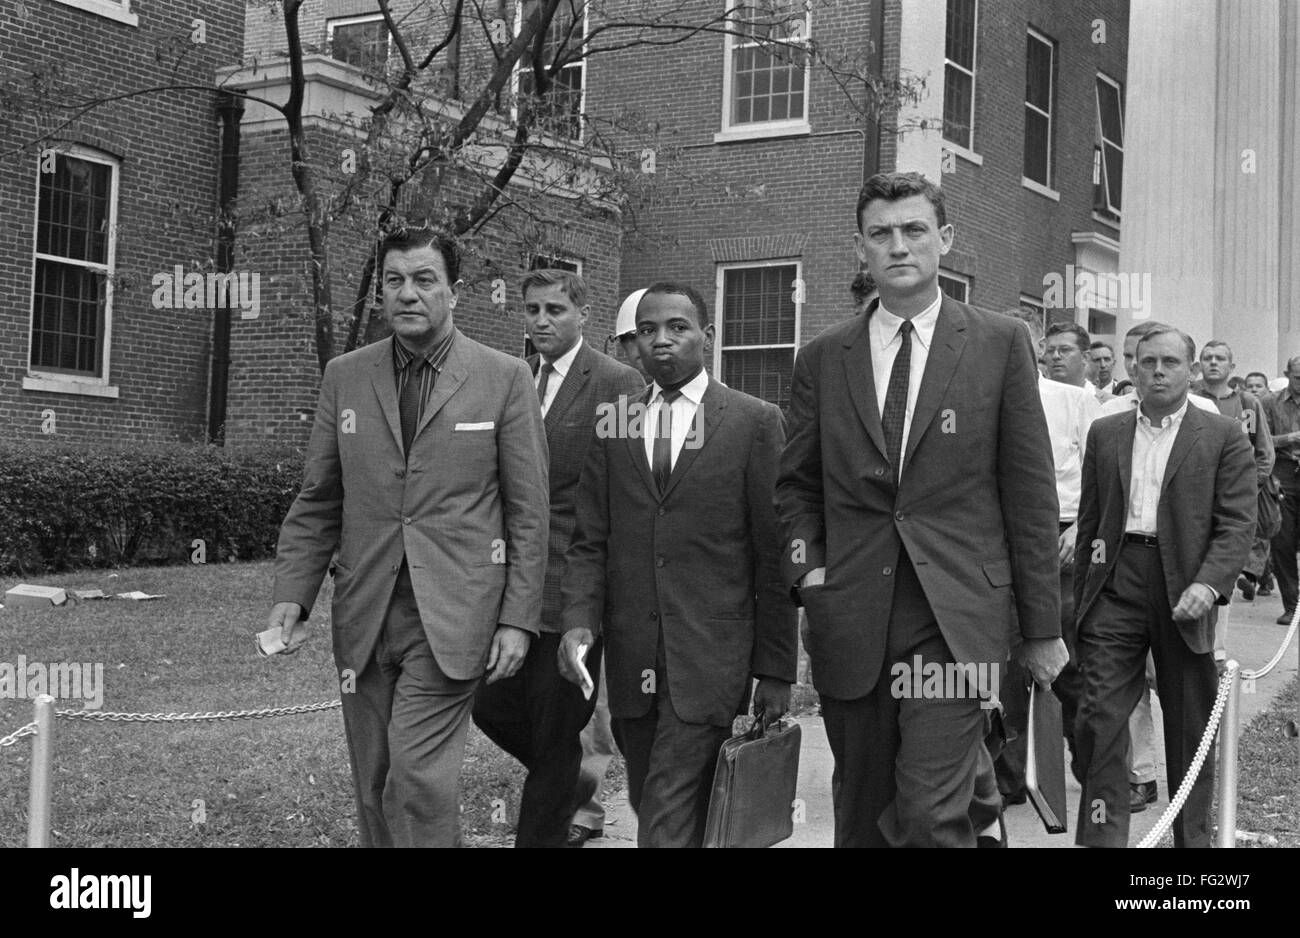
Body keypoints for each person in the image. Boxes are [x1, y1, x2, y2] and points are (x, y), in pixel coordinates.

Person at [776, 172, 1066, 848]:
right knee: (863, 816)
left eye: (913, 230)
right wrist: (810, 575)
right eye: (881, 234)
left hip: (955, 617)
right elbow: (795, 489)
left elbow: (1029, 492)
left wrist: (1042, 625)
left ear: (946, 239)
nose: (898, 246)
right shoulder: (823, 358)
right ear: (860, 248)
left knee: (932, 813)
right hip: (853, 614)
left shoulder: (999, 343)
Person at [269, 227, 549, 847]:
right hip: (365, 613)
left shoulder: (503, 378)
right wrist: (294, 595)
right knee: (373, 783)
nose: (408, 294)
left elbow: (528, 512)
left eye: (425, 280)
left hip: (454, 615)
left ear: (455, 291)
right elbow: (319, 499)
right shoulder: (345, 376)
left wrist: (518, 619)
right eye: (395, 281)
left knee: (417, 779)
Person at [558, 282, 797, 848]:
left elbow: (774, 557)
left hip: (711, 665)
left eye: (677, 328)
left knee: (663, 817)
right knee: (656, 806)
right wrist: (578, 622)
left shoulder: (753, 422)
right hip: (634, 664)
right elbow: (589, 540)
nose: (661, 341)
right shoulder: (614, 422)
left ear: (708, 337)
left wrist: (777, 669)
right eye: (647, 331)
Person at [470, 269, 644, 848]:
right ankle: (568, 776)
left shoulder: (618, 381)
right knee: (490, 706)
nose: (541, 321)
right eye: (532, 310)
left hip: (574, 589)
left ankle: (545, 818)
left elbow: (629, 490)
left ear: (583, 315)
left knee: (552, 731)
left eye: (554, 311)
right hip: (510, 585)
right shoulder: (513, 378)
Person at [1073, 326, 1255, 847]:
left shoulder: (1222, 436)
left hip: (1185, 588)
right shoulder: (1106, 434)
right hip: (1116, 583)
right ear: (1133, 368)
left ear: (1191, 370)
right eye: (1148, 361)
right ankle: (1102, 841)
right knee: (1101, 719)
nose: (1157, 371)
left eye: (1170, 362)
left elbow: (1236, 523)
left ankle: (1191, 846)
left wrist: (1210, 583)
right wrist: (1083, 595)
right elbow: (1090, 523)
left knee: (1188, 725)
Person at [995, 320, 1100, 803]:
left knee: (1065, 657)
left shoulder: (1071, 399)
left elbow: (1102, 473)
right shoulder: (985, 395)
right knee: (1009, 661)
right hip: (1001, 539)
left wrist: (1082, 529)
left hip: (1063, 538)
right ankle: (1009, 777)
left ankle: (1092, 766)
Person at [1197, 340, 1275, 601]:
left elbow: (1264, 450)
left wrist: (1252, 486)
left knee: (1226, 559)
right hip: (1196, 492)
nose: (1214, 363)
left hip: (1234, 492)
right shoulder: (1188, 398)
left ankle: (1245, 577)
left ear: (1231, 366)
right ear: (1199, 364)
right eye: (1208, 358)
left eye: (1220, 358)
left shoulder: (1247, 403)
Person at [1262, 356, 1300, 624]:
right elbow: (1256, 439)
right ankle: (1292, 605)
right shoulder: (1268, 403)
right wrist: (1290, 438)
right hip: (1283, 473)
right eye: (1298, 377)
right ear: (1288, 374)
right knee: (1283, 541)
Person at [609, 288, 651, 380]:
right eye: (632, 337)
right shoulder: (621, 388)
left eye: (648, 333)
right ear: (622, 343)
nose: (641, 345)